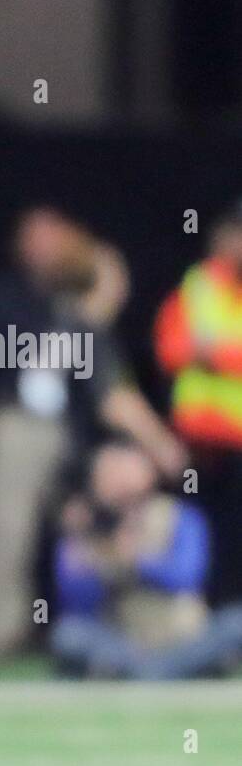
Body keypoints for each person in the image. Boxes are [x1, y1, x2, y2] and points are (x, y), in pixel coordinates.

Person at [0, 207, 184, 656]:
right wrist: (161, 444)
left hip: (70, 437)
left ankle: (107, 631)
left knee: (90, 523)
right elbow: (114, 401)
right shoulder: (14, 303)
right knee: (10, 533)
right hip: (22, 429)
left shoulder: (73, 313)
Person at [51, 441, 242, 678]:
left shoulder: (180, 516)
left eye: (123, 468)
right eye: (107, 472)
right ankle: (160, 673)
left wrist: (137, 562)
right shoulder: (88, 526)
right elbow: (76, 604)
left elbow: (188, 578)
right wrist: (85, 551)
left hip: (183, 640)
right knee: (68, 634)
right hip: (127, 644)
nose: (117, 480)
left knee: (236, 622)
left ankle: (149, 673)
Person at [155, 201, 242, 599]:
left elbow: (212, 353)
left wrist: (217, 355)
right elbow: (170, 351)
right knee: (199, 533)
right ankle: (205, 624)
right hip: (201, 442)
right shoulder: (197, 288)